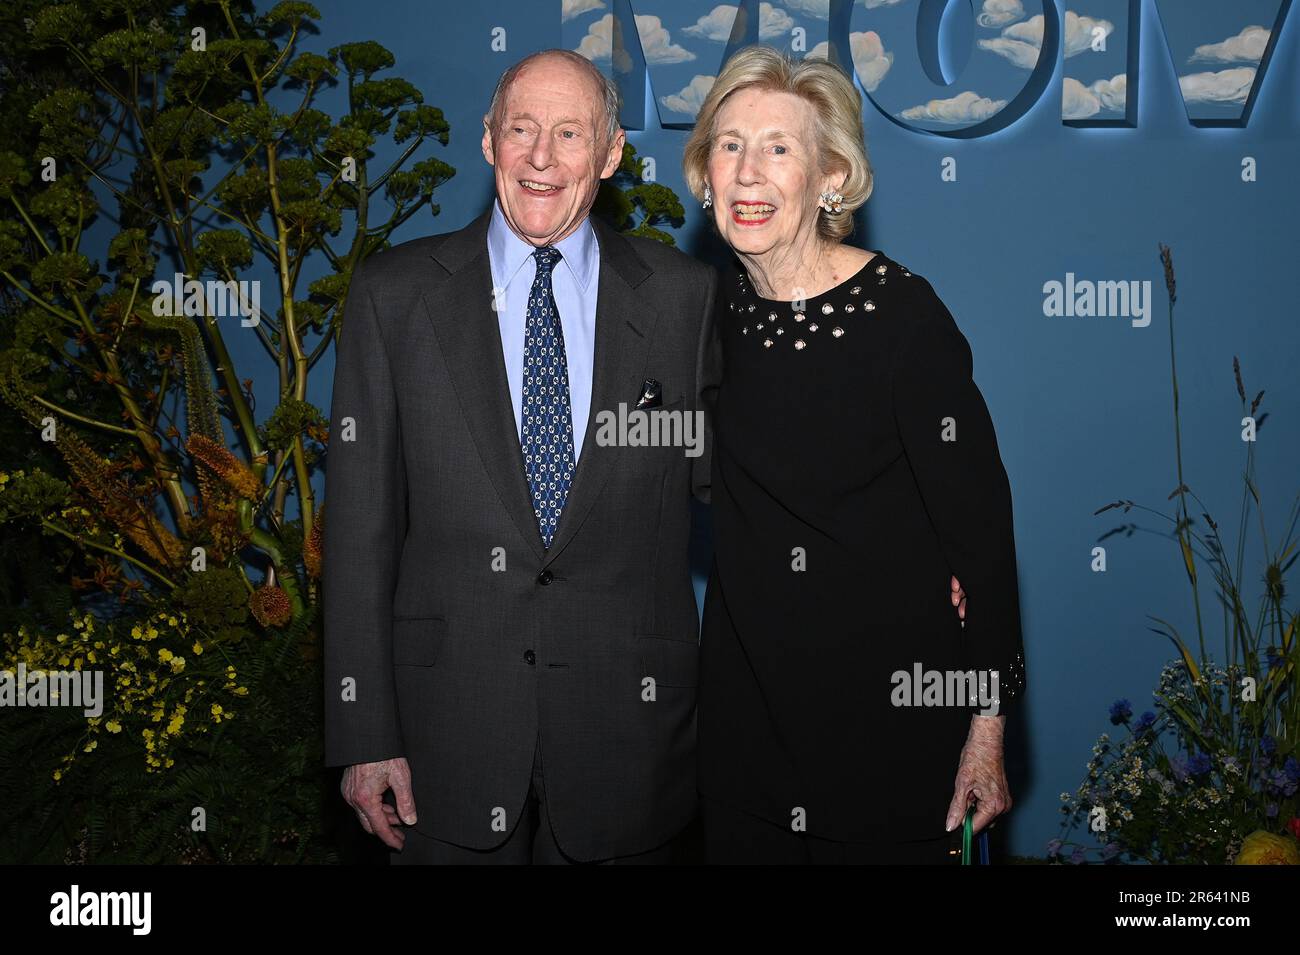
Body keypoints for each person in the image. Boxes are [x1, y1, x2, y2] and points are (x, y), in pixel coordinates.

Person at [322, 49, 719, 864]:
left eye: (569, 133)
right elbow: (359, 535)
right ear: (487, 141)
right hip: (442, 745)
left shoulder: (684, 298)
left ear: (609, 154)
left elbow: (742, 490)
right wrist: (365, 732)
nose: (541, 157)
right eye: (522, 129)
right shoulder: (394, 297)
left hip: (629, 742)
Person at [682, 46, 1025, 864]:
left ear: (831, 175)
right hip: (743, 738)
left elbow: (981, 540)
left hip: (892, 731)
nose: (749, 173)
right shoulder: (699, 313)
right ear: (704, 177)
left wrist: (987, 730)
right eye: (729, 146)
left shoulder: (903, 319)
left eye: (779, 148)